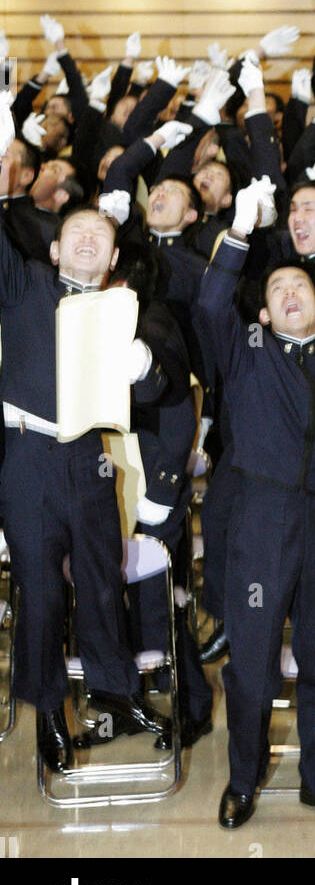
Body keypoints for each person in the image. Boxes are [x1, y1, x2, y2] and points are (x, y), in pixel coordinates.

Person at [197, 179, 315, 829]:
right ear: (265, 315)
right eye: (277, 292)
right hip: (257, 514)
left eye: (299, 289)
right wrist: (239, 235)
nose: (288, 295)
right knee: (250, 662)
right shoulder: (245, 353)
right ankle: (242, 782)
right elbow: (212, 302)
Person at [0, 95, 171, 775]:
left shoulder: (121, 307)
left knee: (103, 582)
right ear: (53, 246)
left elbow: (158, 393)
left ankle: (116, 692)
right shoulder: (24, 287)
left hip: (90, 459)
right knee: (41, 592)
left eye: (100, 235)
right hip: (28, 458)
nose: (89, 240)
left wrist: (145, 364)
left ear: (113, 257)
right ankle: (46, 711)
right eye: (77, 232)